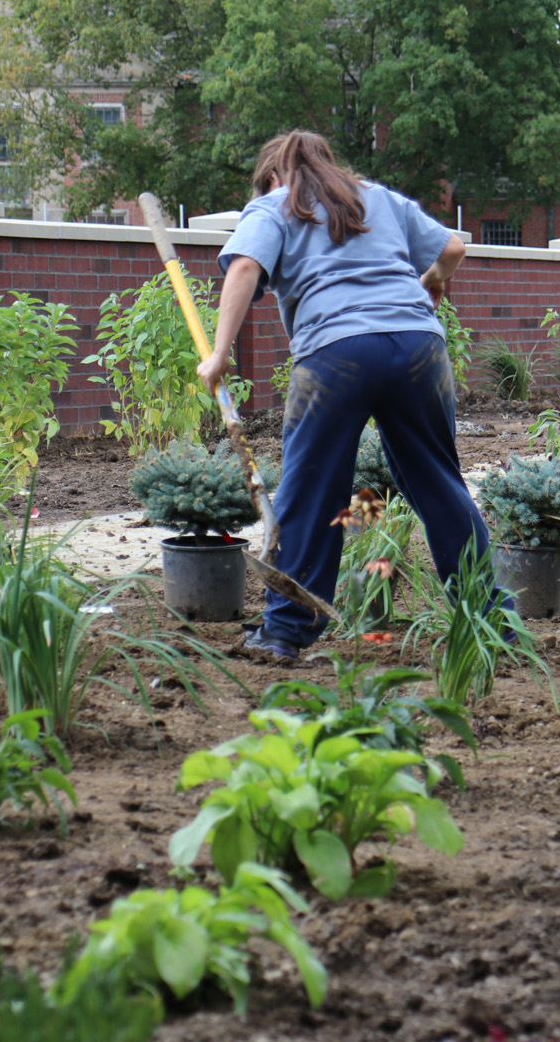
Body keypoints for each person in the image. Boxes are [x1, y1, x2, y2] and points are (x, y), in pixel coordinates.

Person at [196, 130, 489, 660]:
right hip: (418, 347)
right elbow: (453, 248)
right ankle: (489, 621)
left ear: (273, 176)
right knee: (438, 482)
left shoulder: (272, 204)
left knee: (312, 490)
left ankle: (286, 631)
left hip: (335, 354)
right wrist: (434, 282)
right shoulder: (374, 196)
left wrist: (219, 355)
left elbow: (243, 267)